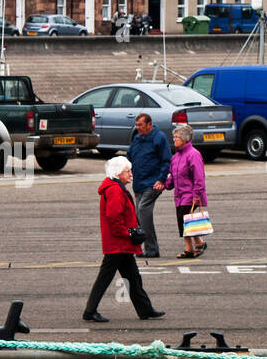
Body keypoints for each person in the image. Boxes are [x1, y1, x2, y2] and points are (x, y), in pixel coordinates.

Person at [83, 157, 165, 323]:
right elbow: (114, 218)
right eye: (127, 171)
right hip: (118, 244)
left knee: (133, 278)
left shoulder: (114, 187)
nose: (130, 174)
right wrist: (128, 234)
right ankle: (90, 311)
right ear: (118, 173)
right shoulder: (115, 190)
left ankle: (145, 310)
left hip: (121, 244)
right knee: (106, 278)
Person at [126, 112, 171, 259]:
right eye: (137, 125)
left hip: (153, 184)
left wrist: (161, 179)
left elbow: (166, 161)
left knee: (143, 210)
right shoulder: (137, 139)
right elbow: (129, 157)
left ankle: (152, 250)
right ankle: (148, 248)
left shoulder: (159, 138)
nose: (138, 128)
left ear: (149, 124)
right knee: (139, 215)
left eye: (141, 125)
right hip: (139, 184)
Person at [164, 124, 208, 259]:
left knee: (186, 220)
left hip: (190, 194)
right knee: (182, 221)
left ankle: (198, 243)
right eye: (174, 137)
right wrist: (165, 184)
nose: (174, 139)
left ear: (184, 138)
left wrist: (196, 195)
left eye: (176, 137)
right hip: (179, 195)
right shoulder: (176, 156)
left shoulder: (193, 154)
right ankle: (192, 247)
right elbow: (173, 176)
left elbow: (199, 177)